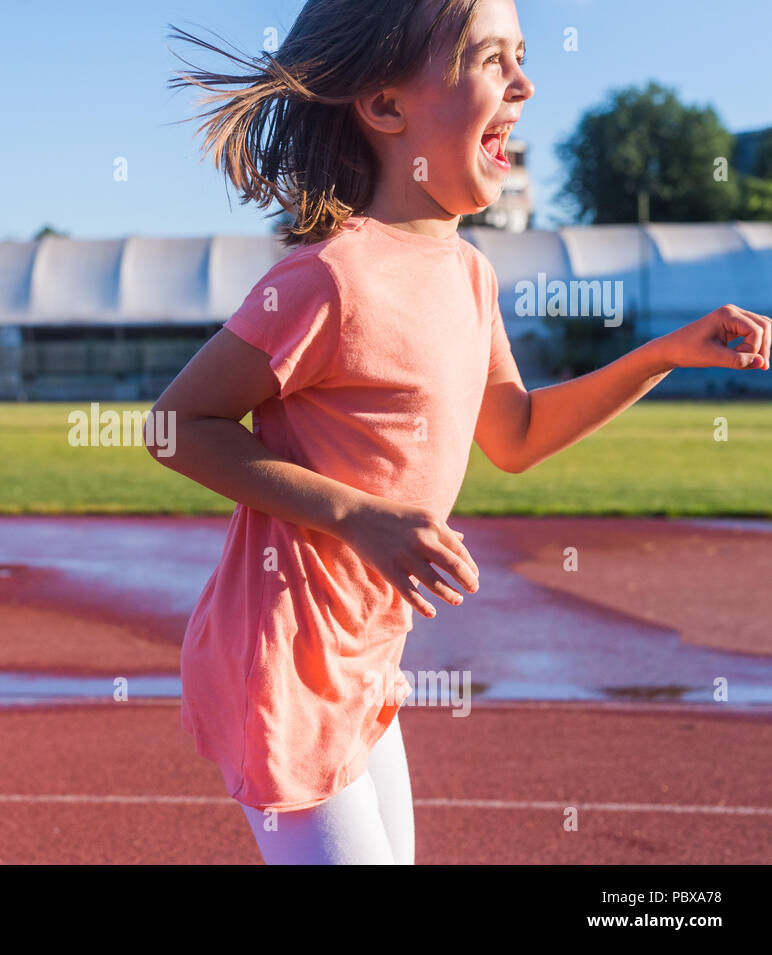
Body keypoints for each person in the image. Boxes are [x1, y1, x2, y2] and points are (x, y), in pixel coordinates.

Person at [151, 0, 771, 865]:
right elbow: (176, 426)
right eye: (490, 60)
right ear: (386, 107)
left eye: (521, 56)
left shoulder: (470, 275)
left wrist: (663, 354)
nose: (524, 81)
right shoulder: (328, 279)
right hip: (285, 664)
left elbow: (513, 434)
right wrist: (360, 516)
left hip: (367, 658)